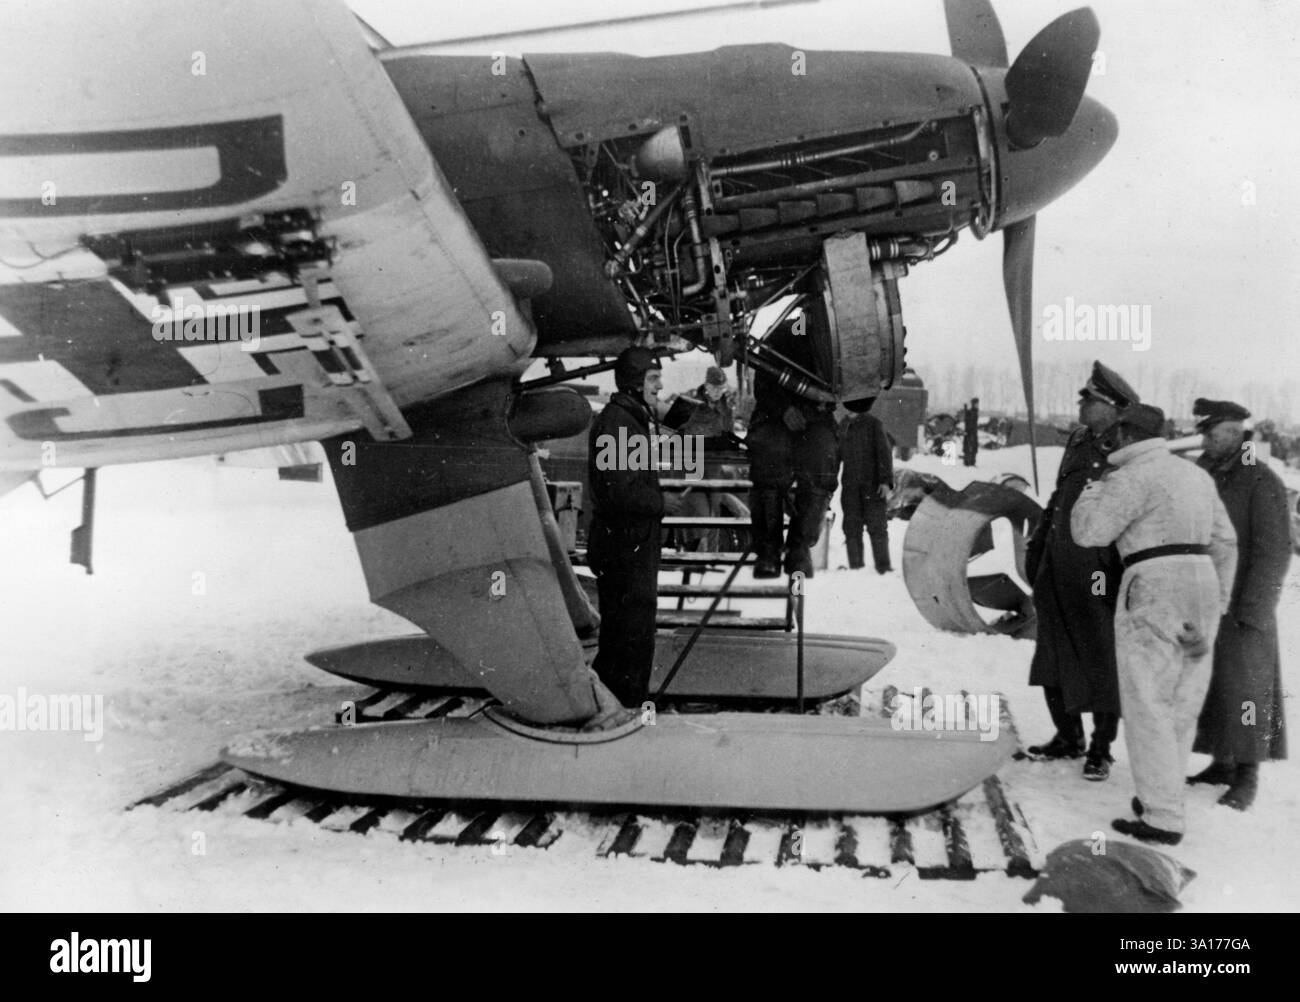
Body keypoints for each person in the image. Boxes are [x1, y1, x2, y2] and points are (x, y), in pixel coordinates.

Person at [1072, 403, 1237, 845]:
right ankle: (1163, 797)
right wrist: (1219, 600)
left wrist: (1090, 492)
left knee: (1148, 702)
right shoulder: (1195, 475)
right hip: (1201, 582)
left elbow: (1089, 533)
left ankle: (1162, 817)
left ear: (1126, 435)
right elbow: (1226, 542)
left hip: (1153, 584)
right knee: (1183, 702)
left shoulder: (1130, 477)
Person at [1023, 362, 1137, 780]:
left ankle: (1100, 750)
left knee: (1101, 658)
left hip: (1098, 572)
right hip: (1057, 565)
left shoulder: (1126, 446)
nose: (1082, 405)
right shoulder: (1077, 440)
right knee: (1052, 654)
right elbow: (1059, 498)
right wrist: (1038, 548)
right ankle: (1068, 737)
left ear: (1112, 407)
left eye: (1090, 400)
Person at [1189, 398, 1291, 810]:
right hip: (1207, 600)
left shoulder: (1261, 479)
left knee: (1247, 692)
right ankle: (1222, 762)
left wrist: (1255, 610)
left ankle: (1248, 773)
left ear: (1235, 433)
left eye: (1212, 435)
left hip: (1244, 607)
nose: (1205, 442)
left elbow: (1275, 551)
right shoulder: (1204, 472)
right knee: (1216, 686)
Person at [586, 346, 668, 711]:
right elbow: (620, 491)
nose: (659, 386)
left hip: (627, 546)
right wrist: (663, 503)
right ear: (634, 382)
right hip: (624, 549)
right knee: (628, 637)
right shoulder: (619, 423)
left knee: (625, 635)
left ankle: (616, 706)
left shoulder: (627, 419)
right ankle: (625, 709)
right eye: (653, 379)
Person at [746, 316, 839, 579]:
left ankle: (800, 546)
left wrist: (809, 413)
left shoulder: (838, 338)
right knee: (769, 453)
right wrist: (783, 409)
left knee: (823, 456)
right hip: (773, 415)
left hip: (816, 419)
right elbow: (763, 382)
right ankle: (768, 549)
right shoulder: (784, 331)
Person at [838, 407, 894, 572]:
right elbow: (835, 454)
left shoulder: (873, 424)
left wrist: (885, 481)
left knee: (877, 525)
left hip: (873, 485)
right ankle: (856, 566)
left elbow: (884, 453)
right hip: (850, 485)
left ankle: (883, 566)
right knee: (851, 526)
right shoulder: (843, 425)